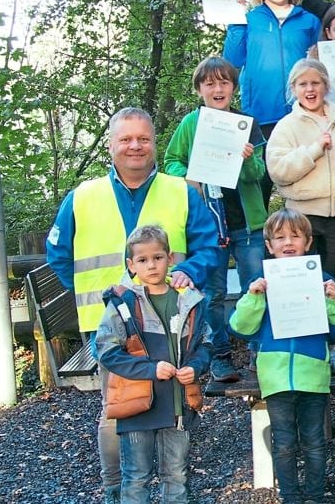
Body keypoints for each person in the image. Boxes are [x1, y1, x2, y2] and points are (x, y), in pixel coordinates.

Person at [46, 107, 219, 503]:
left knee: (171, 406)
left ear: (154, 144)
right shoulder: (82, 197)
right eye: (126, 139)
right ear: (110, 145)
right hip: (111, 327)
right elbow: (58, 254)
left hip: (169, 323)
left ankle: (173, 489)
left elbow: (209, 248)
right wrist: (98, 296)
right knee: (119, 406)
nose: (135, 146)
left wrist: (187, 271)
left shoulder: (181, 192)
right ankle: (117, 491)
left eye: (143, 138)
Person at [229, 209, 335, 504]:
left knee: (314, 442)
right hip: (276, 375)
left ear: (307, 242)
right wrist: (253, 297)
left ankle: (315, 497)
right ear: (269, 245)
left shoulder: (322, 280)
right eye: (280, 237)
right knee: (283, 443)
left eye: (295, 236)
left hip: (313, 373)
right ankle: (291, 497)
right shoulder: (261, 282)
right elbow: (241, 328)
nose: (287, 242)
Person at [164, 55, 268, 382]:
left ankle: (258, 352)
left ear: (234, 87)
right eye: (210, 84)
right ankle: (220, 355)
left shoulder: (247, 123)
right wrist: (189, 178)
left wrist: (248, 160)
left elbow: (259, 173)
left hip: (247, 224)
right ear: (199, 90)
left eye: (224, 82)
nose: (217, 89)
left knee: (256, 287)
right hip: (209, 225)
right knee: (213, 294)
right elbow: (171, 161)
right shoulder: (191, 124)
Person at [94, 225, 211, 504]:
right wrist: (150, 369)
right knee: (136, 477)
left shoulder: (188, 300)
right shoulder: (122, 303)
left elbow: (205, 343)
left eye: (157, 258)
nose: (151, 265)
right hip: (135, 406)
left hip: (176, 404)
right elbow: (106, 351)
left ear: (170, 259)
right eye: (143, 260)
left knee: (177, 475)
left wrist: (195, 367)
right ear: (131, 265)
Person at [267, 58, 335, 377]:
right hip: (302, 218)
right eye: (303, 84)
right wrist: (314, 149)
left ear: (326, 86)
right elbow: (278, 171)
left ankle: (334, 347)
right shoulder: (286, 126)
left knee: (331, 282)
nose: (310, 89)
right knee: (302, 285)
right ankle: (308, 350)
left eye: (315, 83)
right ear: (293, 89)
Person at [223, 0, 322, 207]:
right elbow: (232, 60)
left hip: (301, 114)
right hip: (260, 116)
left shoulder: (310, 21)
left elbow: (321, 67)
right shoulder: (249, 19)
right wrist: (236, 21)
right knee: (260, 185)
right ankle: (260, 232)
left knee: (304, 183)